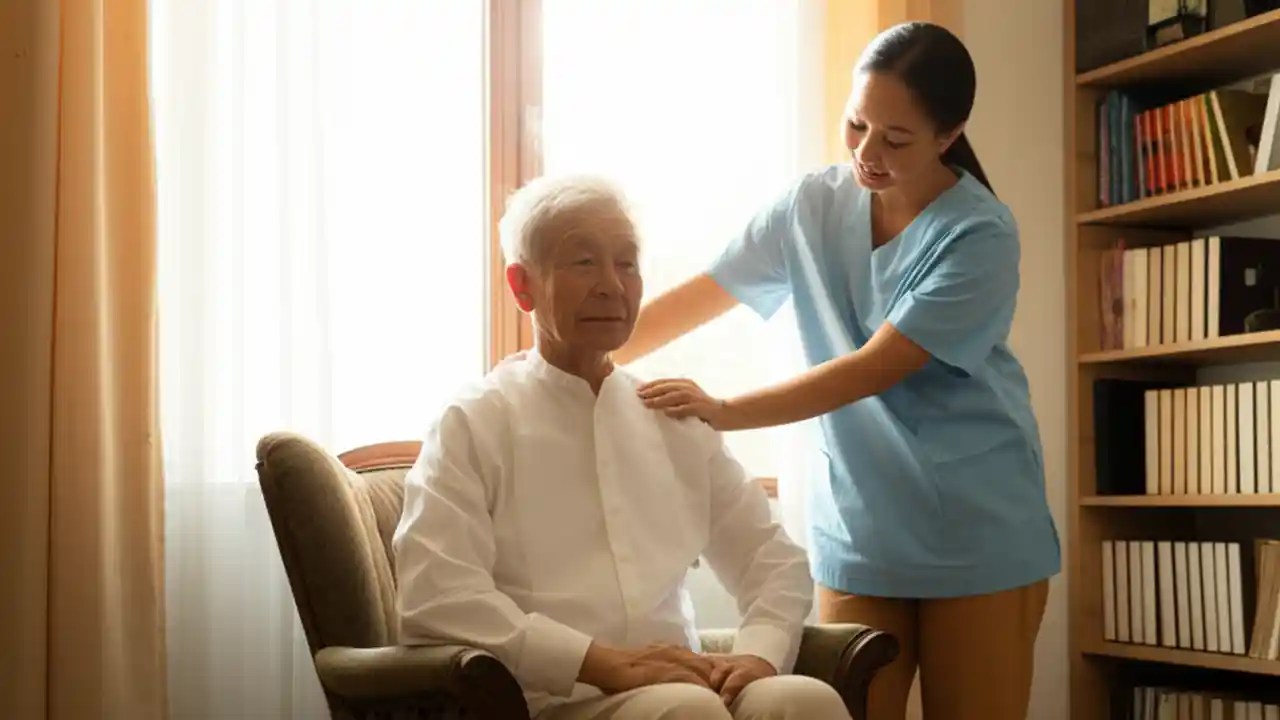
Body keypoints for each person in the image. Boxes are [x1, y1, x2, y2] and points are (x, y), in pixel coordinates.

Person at [614, 22, 1060, 720]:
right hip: (860, 529)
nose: (867, 153)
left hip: (977, 527)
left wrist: (724, 410)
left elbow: (874, 367)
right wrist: (567, 355)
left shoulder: (979, 233)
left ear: (948, 135)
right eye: (856, 125)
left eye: (896, 139)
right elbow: (701, 296)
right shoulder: (809, 207)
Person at [391, 174, 851, 720]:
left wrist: (757, 654)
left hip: (684, 689)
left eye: (627, 264)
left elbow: (772, 561)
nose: (611, 285)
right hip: (549, 699)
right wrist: (599, 663)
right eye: (584, 262)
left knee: (804, 699)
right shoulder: (474, 421)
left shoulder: (674, 419)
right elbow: (437, 595)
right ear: (522, 285)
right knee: (688, 712)